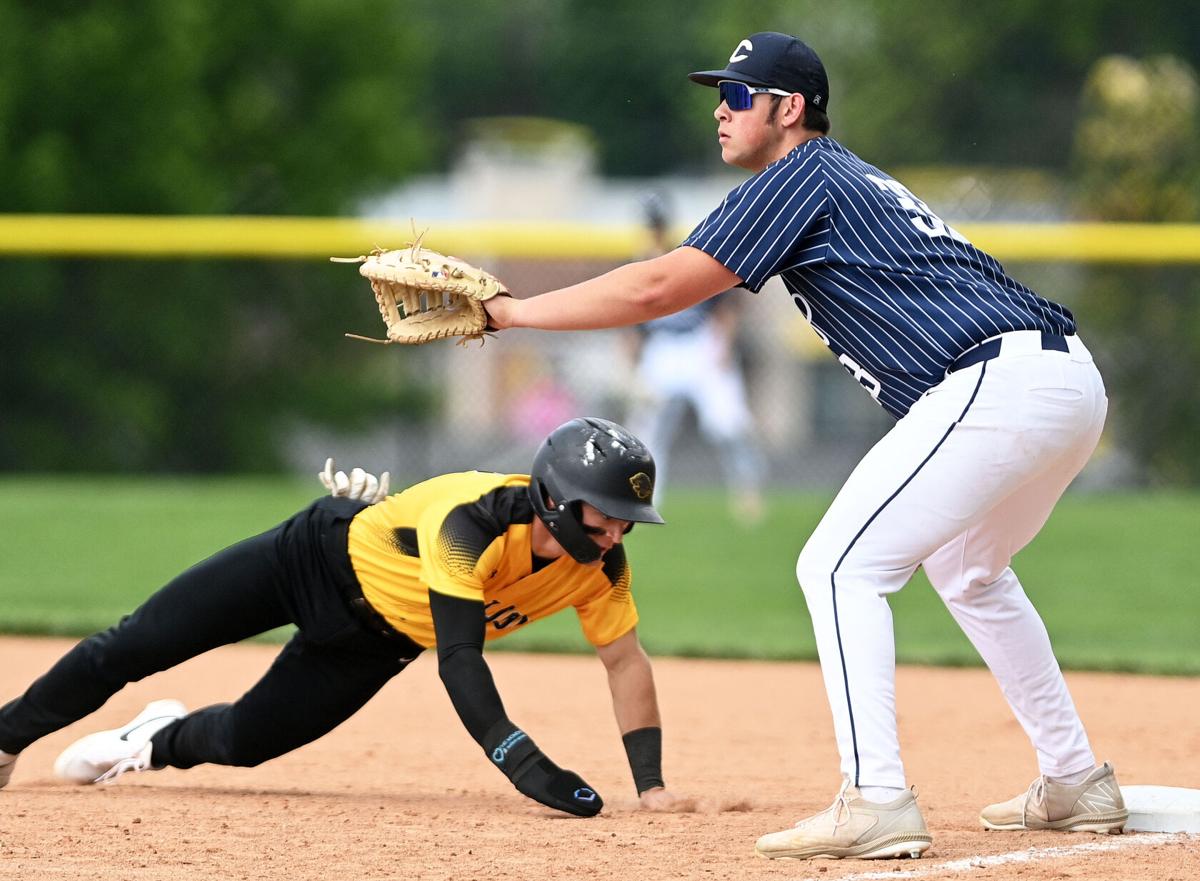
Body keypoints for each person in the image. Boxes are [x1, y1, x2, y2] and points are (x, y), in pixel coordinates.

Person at [482, 31, 1127, 859]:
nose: (721, 108)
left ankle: (878, 797)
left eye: (740, 95)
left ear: (789, 110)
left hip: (998, 383)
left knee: (838, 565)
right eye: (720, 93)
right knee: (968, 568)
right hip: (1065, 381)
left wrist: (512, 313)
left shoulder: (800, 174)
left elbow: (655, 285)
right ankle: (1075, 779)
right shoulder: (837, 177)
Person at [0, 417, 691, 817]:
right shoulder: (473, 524)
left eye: (629, 523)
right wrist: (523, 763)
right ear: (554, 498)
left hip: (373, 644)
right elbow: (459, 657)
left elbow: (624, 659)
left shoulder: (601, 568)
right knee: (136, 644)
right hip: (310, 560)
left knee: (245, 739)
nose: (617, 535)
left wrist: (651, 786)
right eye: (607, 516)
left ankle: (151, 741)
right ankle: (6, 739)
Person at [625, 192, 765, 520]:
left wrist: (723, 345)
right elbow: (629, 321)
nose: (655, 229)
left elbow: (725, 302)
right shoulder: (636, 262)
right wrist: (633, 360)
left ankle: (749, 493)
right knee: (646, 430)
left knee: (728, 423)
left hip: (701, 343)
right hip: (661, 349)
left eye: (657, 223)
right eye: (651, 224)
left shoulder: (685, 255)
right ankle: (645, 500)